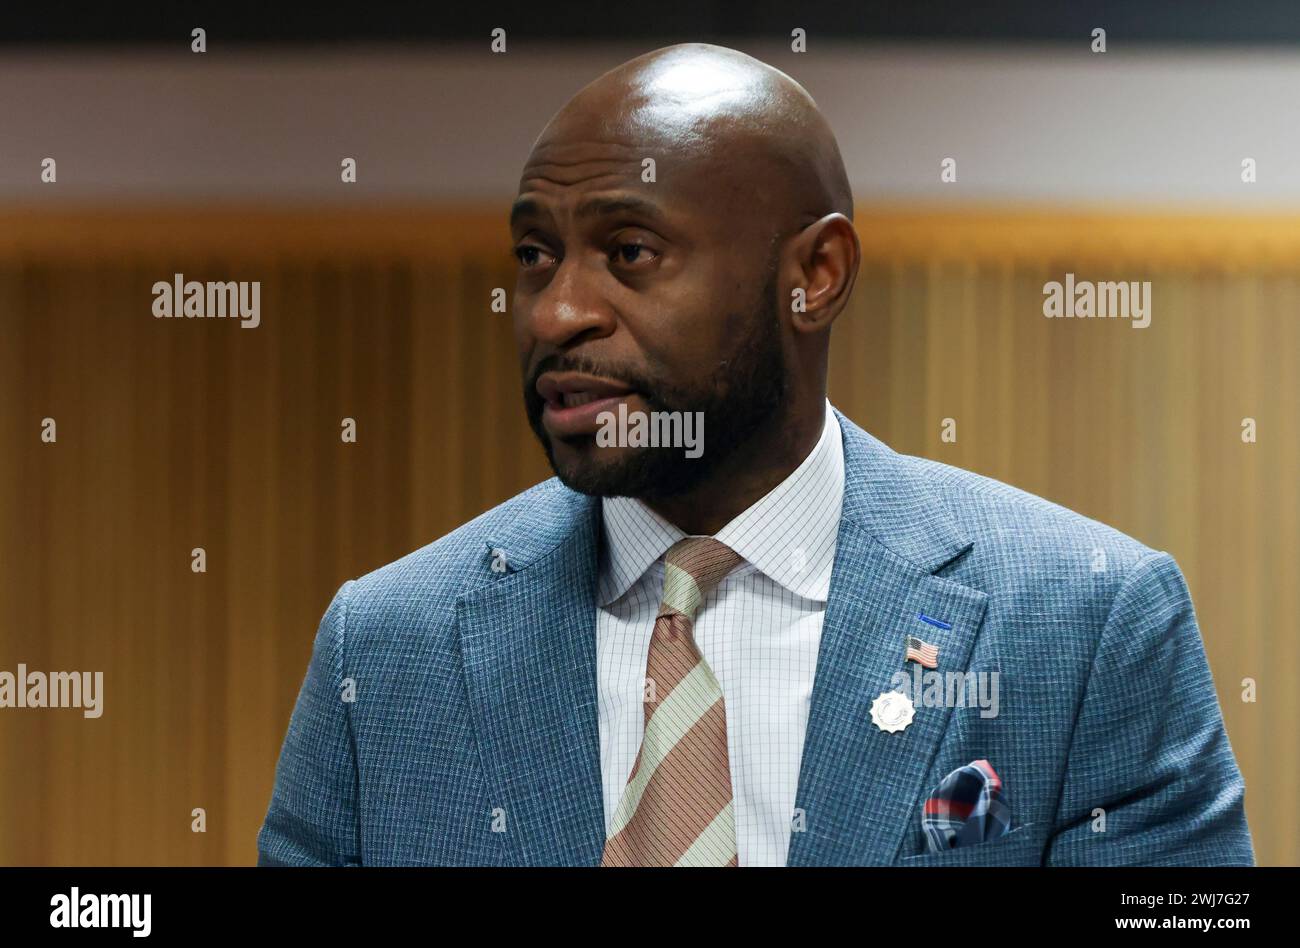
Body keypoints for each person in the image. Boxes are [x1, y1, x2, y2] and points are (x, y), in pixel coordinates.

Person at [258, 43, 1253, 866]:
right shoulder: (387, 651)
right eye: (535, 256)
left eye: (630, 253)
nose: (558, 312)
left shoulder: (1081, 624)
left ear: (813, 277)